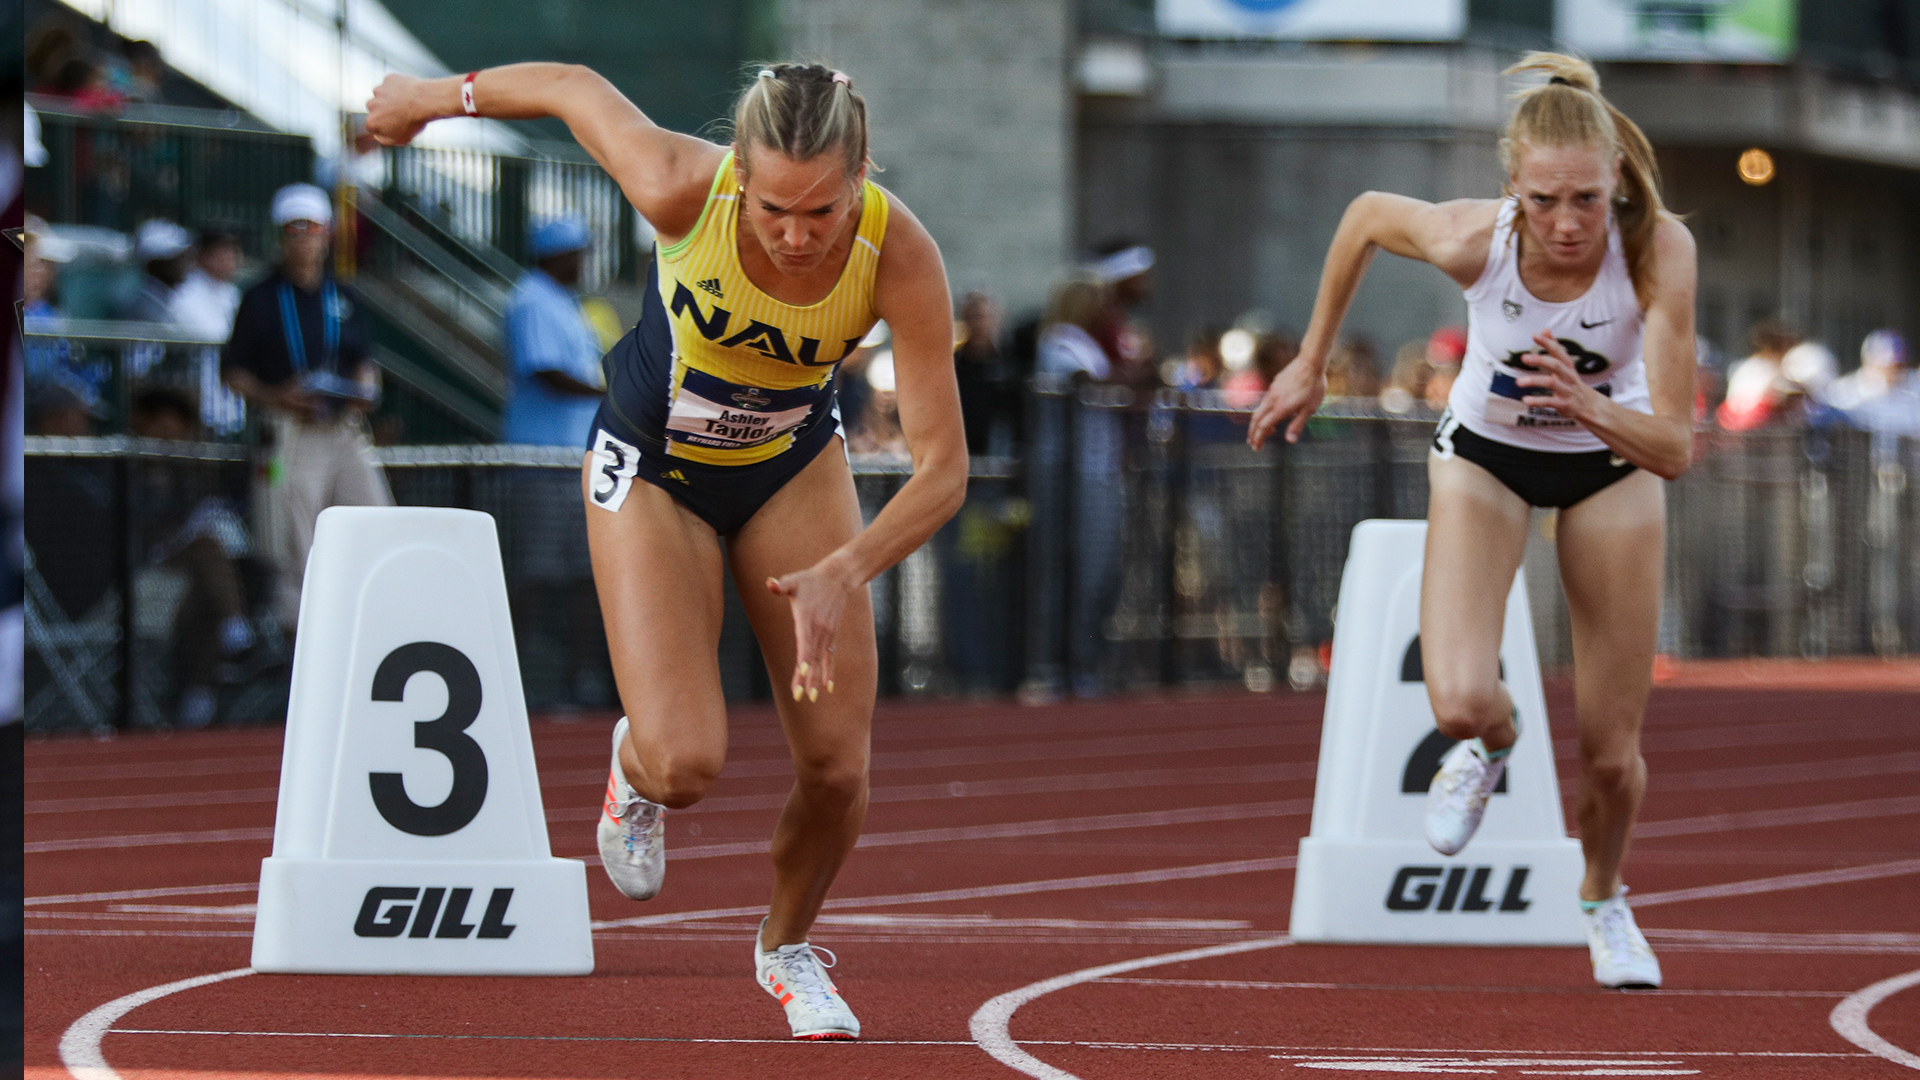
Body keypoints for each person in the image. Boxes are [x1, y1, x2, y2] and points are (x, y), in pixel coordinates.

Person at [368, 60, 966, 1041]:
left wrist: (845, 567)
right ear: (740, 174)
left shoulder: (897, 253)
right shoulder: (680, 184)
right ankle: (632, 767)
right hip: (654, 469)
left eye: (823, 211)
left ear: (863, 176)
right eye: (775, 209)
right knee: (686, 764)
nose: (797, 235)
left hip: (790, 467)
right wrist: (427, 100)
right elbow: (572, 87)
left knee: (837, 769)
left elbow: (944, 469)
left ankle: (786, 948)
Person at [1250, 53, 1696, 990]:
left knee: (1611, 756)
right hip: (1487, 456)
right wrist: (1311, 360)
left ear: (1617, 179)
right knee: (1457, 700)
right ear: (1511, 190)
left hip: (1612, 466)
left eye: (1586, 199)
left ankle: (1603, 899)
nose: (1566, 223)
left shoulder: (1657, 250)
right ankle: (1495, 743)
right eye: (1544, 201)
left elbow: (1673, 446)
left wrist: (1587, 403)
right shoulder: (1472, 241)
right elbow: (1365, 216)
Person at [221, 182, 391, 629]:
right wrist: (276, 395)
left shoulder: (343, 296)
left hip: (343, 429)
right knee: (295, 538)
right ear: (280, 236)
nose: (303, 239)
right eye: (293, 229)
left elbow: (363, 360)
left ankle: (371, 620)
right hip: (291, 432)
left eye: (312, 229)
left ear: (327, 235)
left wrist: (363, 388)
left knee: (376, 520)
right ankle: (298, 633)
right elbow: (233, 372)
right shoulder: (259, 298)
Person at [502, 216, 606, 446]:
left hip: (569, 443)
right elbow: (548, 373)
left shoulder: (561, 298)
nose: (583, 263)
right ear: (560, 256)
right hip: (541, 446)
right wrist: (609, 397)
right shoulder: (532, 301)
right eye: (578, 255)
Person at [169, 228, 244, 341]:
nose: (228, 260)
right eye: (220, 255)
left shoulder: (231, 292)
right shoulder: (186, 292)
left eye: (231, 254)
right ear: (202, 255)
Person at [121, 219, 193, 323]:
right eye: (177, 257)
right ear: (158, 263)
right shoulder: (144, 308)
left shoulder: (166, 298)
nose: (187, 262)